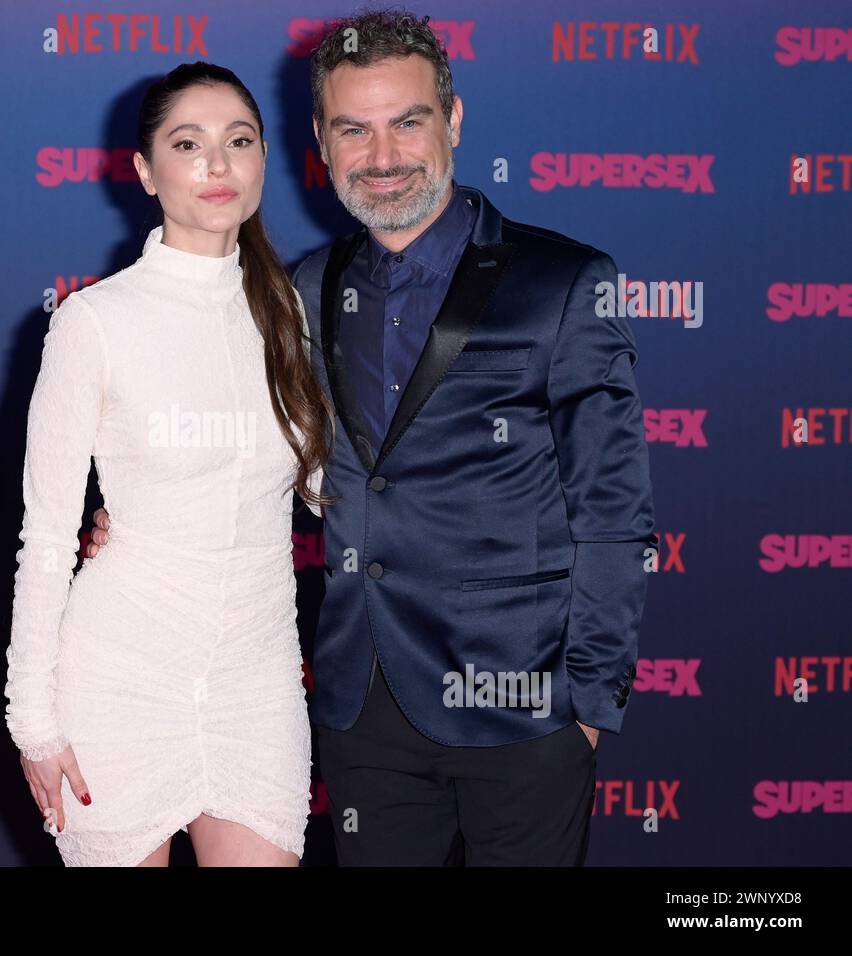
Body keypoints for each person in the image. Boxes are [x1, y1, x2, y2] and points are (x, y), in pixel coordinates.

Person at [87, 10, 657, 866]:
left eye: (408, 122)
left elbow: (614, 510)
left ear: (454, 122)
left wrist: (588, 707)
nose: (383, 156)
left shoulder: (564, 283)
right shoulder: (297, 293)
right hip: (362, 707)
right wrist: (133, 527)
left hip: (525, 710)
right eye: (354, 128)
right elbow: (235, 443)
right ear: (320, 140)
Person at [3, 62, 334, 867]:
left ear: (265, 160)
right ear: (147, 172)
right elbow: (46, 538)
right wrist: (33, 723)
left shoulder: (292, 312)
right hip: (118, 684)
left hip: (257, 690)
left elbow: (333, 489)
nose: (217, 165)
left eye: (239, 141)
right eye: (189, 144)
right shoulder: (95, 322)